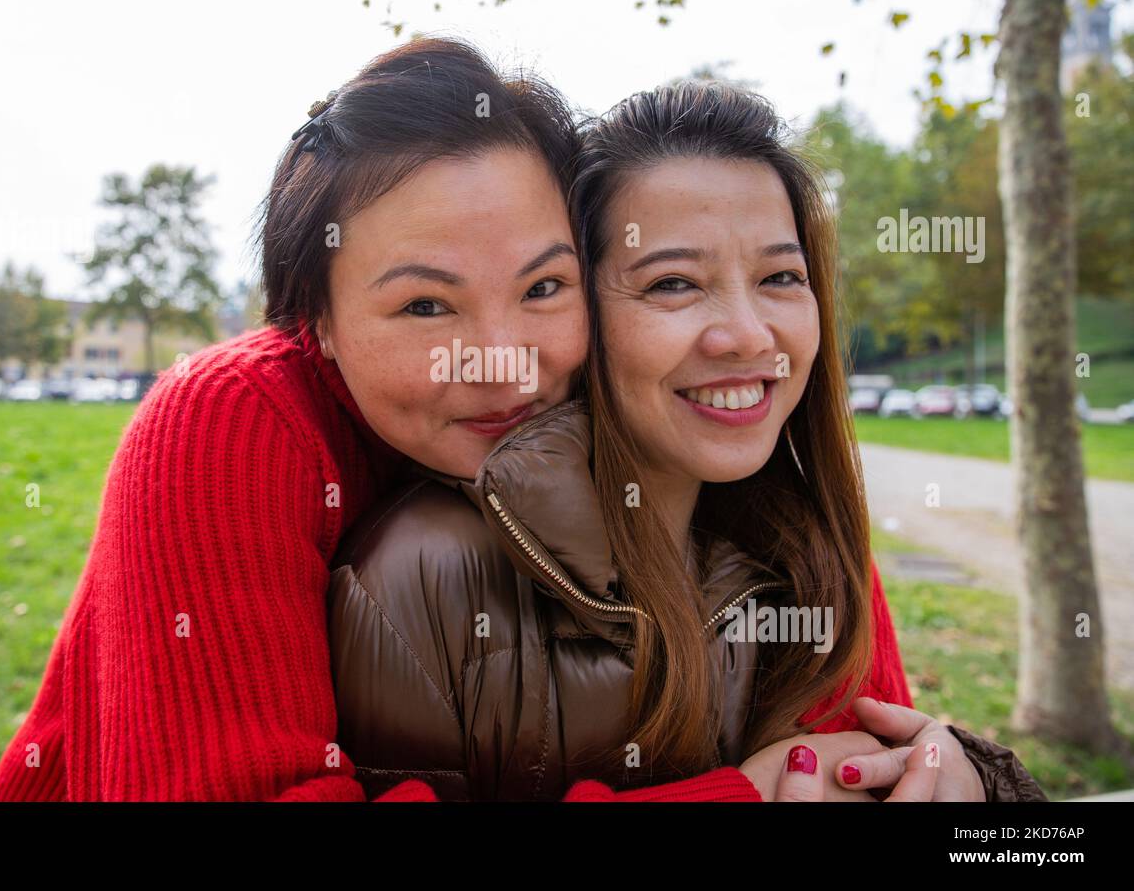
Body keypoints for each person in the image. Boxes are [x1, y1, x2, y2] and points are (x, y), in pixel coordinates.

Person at [328, 81, 1047, 801]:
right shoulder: (421, 578)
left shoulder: (803, 549)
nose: (747, 335)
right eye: (673, 284)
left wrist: (975, 782)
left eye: (780, 277)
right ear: (579, 311)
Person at [0, 36, 594, 800]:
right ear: (319, 320)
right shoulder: (230, 420)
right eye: (425, 305)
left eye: (543, 288)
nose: (501, 359)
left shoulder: (610, 394)